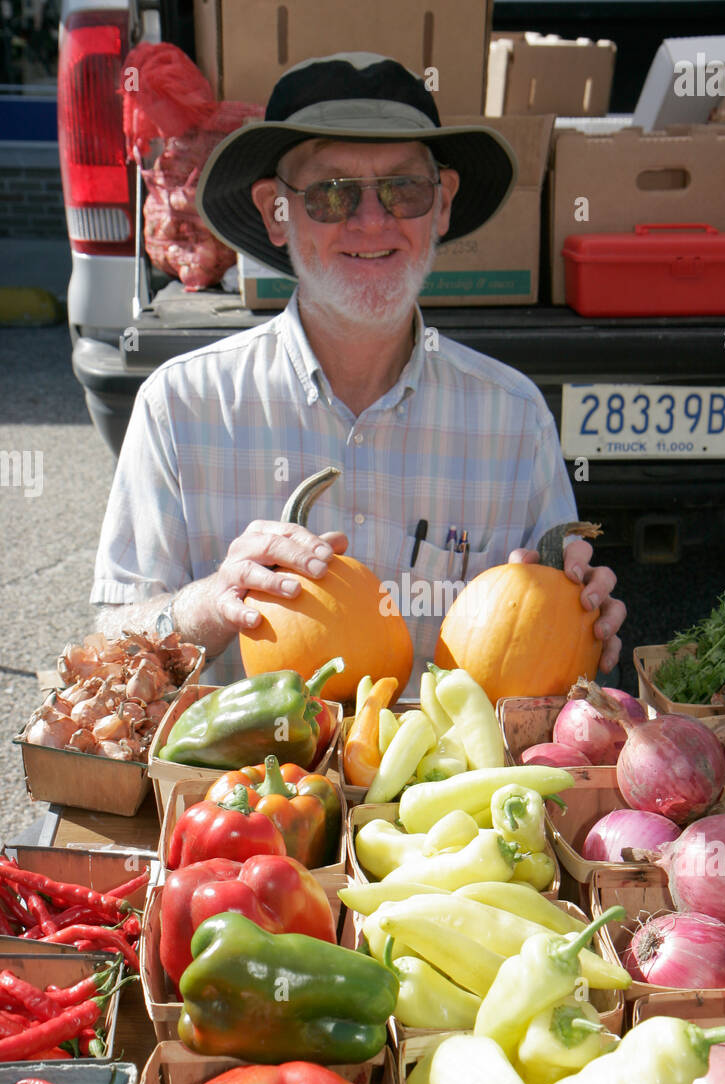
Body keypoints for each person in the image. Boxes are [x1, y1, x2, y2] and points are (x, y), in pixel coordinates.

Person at [92, 51, 625, 690]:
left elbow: (559, 675)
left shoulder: (513, 418)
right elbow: (108, 649)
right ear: (276, 213)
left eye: (404, 189)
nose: (372, 221)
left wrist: (583, 631)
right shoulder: (181, 406)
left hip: (451, 787)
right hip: (245, 787)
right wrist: (208, 603)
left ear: (443, 203)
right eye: (330, 193)